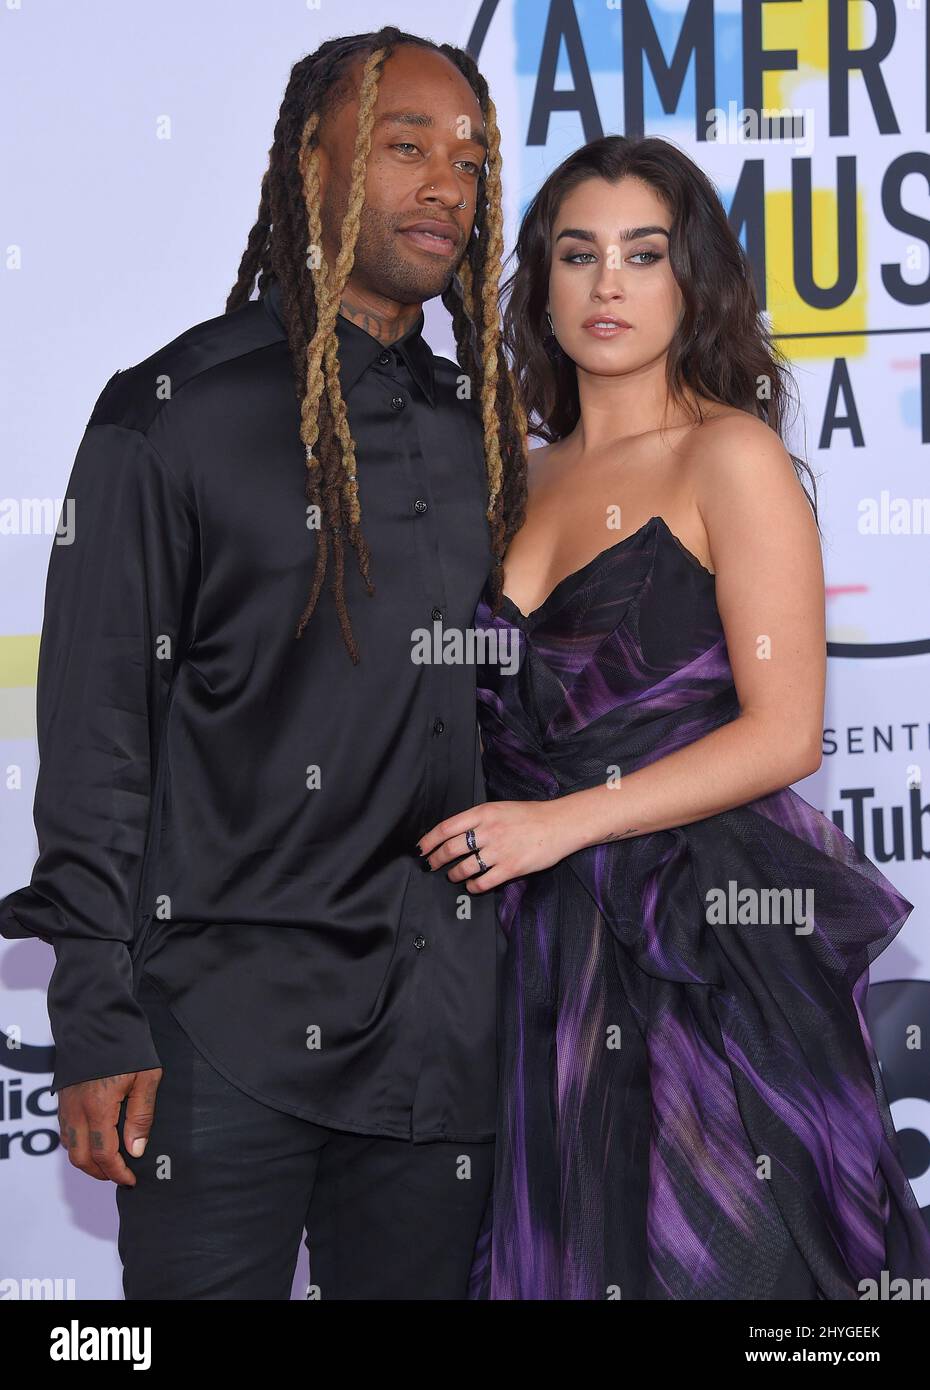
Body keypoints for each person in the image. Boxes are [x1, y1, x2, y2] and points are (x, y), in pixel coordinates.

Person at [0, 28, 529, 1300]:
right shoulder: (166, 415)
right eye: (405, 146)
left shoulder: (496, 439)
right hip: (213, 1037)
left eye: (468, 157)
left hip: (441, 1039)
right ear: (312, 163)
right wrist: (94, 1018)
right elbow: (95, 737)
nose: (446, 185)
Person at [416, 134, 930, 1299]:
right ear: (539, 284)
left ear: (690, 280)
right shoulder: (509, 479)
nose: (608, 284)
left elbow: (784, 730)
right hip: (530, 948)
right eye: (579, 254)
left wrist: (563, 825)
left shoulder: (728, 454)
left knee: (722, 1264)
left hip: (692, 939)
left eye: (643, 255)